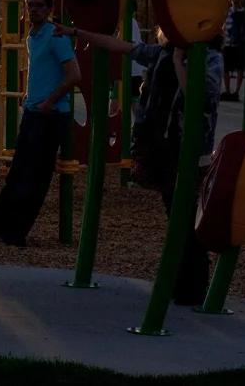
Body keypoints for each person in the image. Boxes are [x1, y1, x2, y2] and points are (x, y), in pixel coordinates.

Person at [69, 22, 223, 305]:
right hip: (163, 149)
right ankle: (181, 285)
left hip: (189, 151)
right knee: (175, 218)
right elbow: (123, 46)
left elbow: (198, 96)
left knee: (187, 221)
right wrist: (77, 32)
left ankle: (193, 287)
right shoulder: (162, 53)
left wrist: (179, 61)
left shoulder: (210, 58)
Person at [0, 0, 81, 247]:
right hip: (34, 111)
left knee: (35, 176)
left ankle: (16, 231)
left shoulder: (55, 36)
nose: (34, 10)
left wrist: (50, 101)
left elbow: (74, 75)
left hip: (50, 115)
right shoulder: (32, 37)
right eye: (31, 5)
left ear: (50, 9)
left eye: (39, 5)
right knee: (17, 172)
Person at [221, 0, 245, 101]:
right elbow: (224, 25)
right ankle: (227, 90)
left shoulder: (243, 13)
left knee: (239, 68)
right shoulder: (227, 11)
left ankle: (236, 91)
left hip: (239, 44)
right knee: (225, 68)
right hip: (227, 43)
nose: (235, 1)